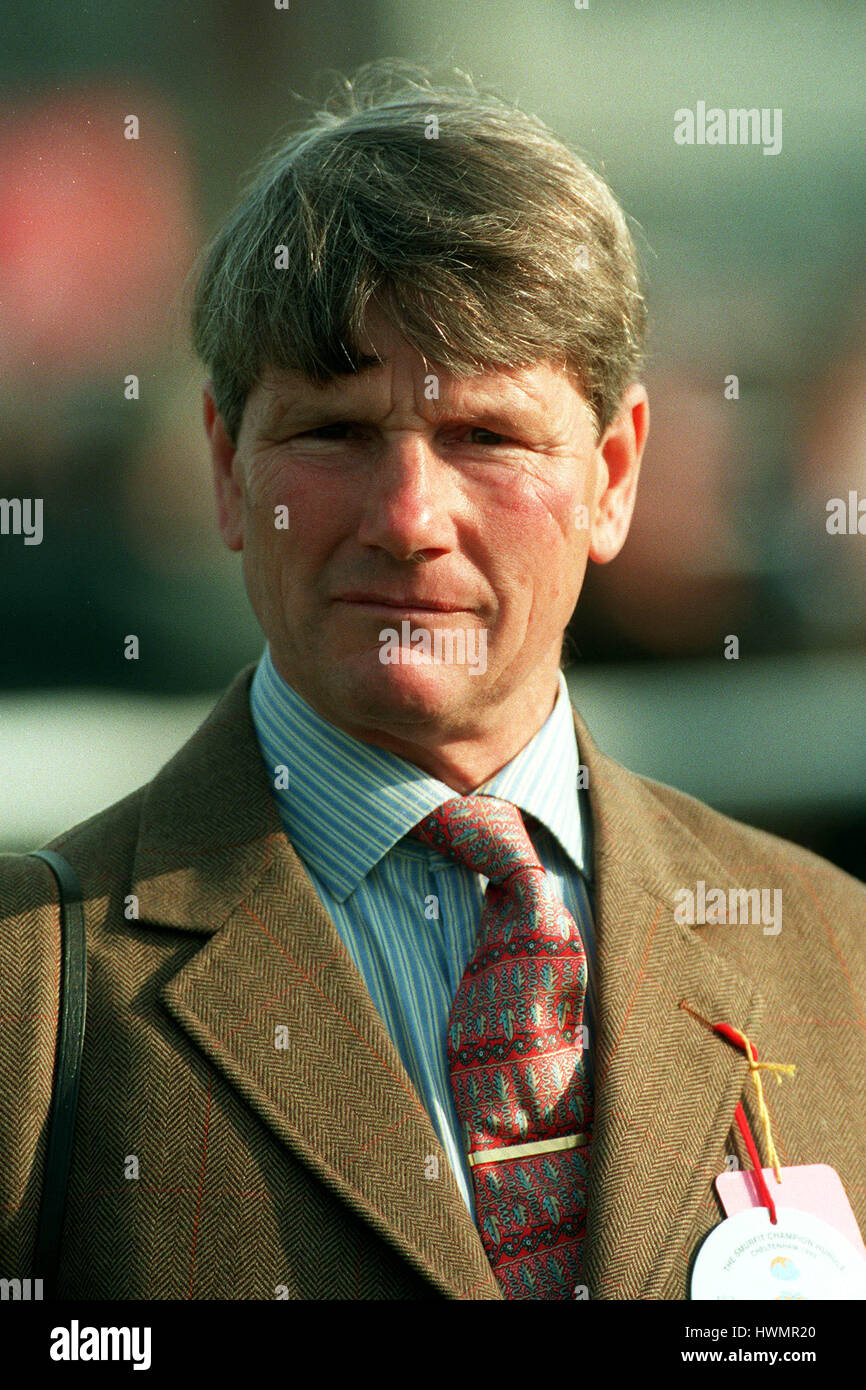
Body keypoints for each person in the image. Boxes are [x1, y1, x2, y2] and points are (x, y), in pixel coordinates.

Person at [2, 59, 864, 1302]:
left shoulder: (830, 956)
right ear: (224, 465)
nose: (408, 517)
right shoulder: (34, 998)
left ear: (613, 474)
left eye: (485, 436)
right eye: (334, 432)